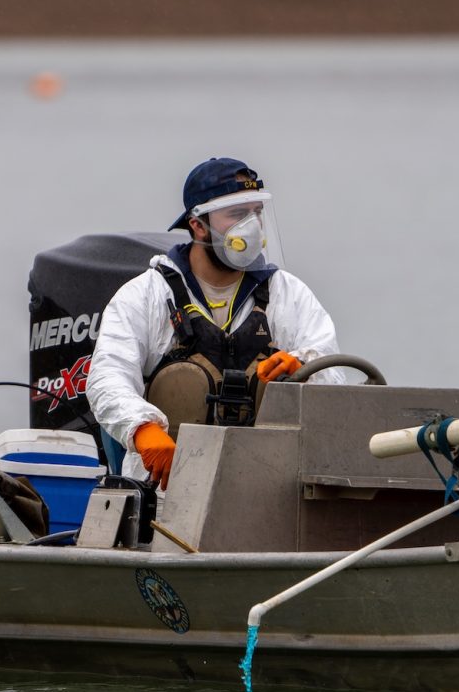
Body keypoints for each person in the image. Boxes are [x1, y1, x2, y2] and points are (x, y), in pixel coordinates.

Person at [86, 157, 350, 488]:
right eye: (237, 214)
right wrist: (142, 428)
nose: (252, 226)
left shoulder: (288, 293)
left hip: (271, 489)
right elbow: (107, 378)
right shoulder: (145, 295)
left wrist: (305, 366)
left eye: (256, 212)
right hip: (165, 491)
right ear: (198, 224)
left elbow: (334, 379)